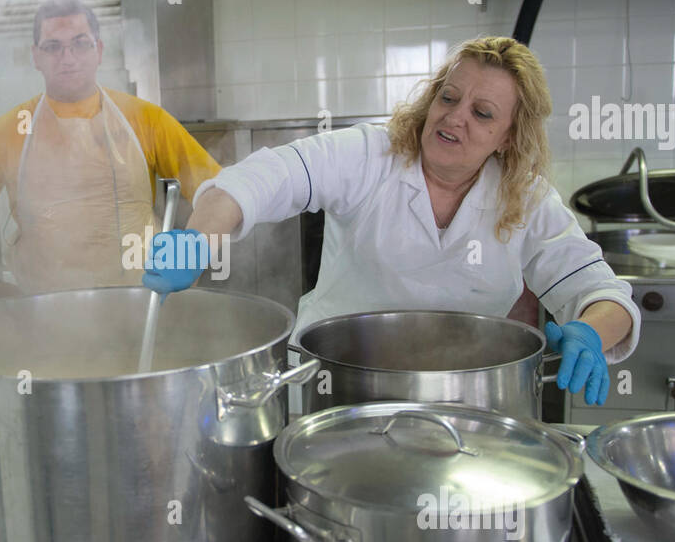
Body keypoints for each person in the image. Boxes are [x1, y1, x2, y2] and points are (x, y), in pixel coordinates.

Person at [145, 36, 640, 406]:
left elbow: (603, 294)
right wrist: (198, 238)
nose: (454, 117)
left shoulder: (525, 198)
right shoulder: (371, 155)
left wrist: (592, 332)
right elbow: (262, 178)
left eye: (482, 112)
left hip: (460, 405)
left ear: (509, 138)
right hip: (334, 390)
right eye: (448, 98)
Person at [0, 0, 221, 299]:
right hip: (44, 315)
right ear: (36, 56)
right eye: (52, 47)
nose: (67, 57)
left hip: (142, 303)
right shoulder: (5, 132)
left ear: (98, 50)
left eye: (80, 43)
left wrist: (192, 253)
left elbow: (218, 191)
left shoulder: (146, 119)